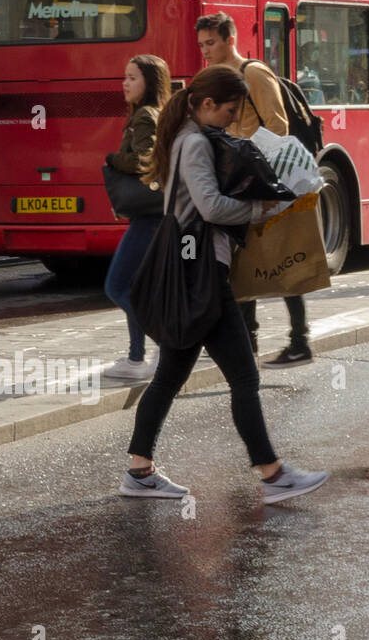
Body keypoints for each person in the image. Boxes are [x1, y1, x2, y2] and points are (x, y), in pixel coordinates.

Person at [120, 66, 329, 504]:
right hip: (202, 274)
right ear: (207, 104)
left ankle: (139, 472)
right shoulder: (194, 142)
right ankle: (272, 474)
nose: (233, 121)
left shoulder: (190, 137)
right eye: (230, 112)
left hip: (192, 269)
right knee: (244, 376)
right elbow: (210, 207)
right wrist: (262, 211)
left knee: (169, 377)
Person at [196, 12, 313, 368]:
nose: (206, 51)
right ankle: (248, 344)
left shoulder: (253, 74)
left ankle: (299, 340)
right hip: (234, 183)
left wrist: (245, 157)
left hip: (260, 180)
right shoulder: (212, 78)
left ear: (230, 39)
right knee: (242, 265)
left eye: (211, 43)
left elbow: (277, 125)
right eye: (201, 45)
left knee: (278, 261)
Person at [101, 55, 172, 381]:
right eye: (124, 77)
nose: (125, 83)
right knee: (134, 286)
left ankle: (166, 344)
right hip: (152, 214)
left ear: (149, 83)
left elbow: (146, 161)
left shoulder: (145, 116)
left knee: (117, 286)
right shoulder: (152, 113)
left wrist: (114, 160)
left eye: (133, 77)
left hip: (150, 217)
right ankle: (135, 358)